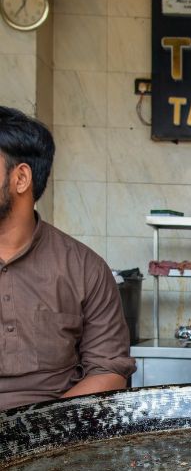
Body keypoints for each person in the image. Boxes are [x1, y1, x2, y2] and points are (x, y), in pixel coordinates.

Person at [0, 106, 135, 410]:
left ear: (21, 178)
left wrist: (35, 430)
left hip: (53, 436)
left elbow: (110, 371)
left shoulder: (84, 268)